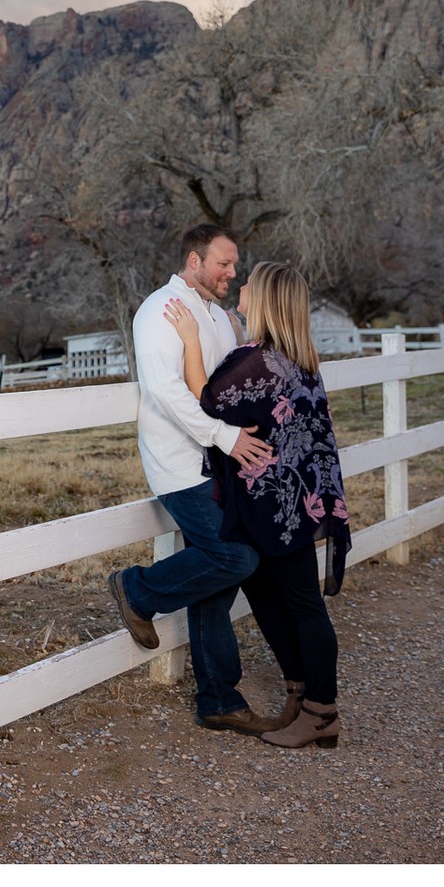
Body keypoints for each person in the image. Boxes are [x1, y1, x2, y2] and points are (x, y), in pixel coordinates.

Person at [165, 261, 350, 749]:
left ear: (265, 299)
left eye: (250, 283)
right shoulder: (293, 357)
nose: (241, 285)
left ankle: (322, 712)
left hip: (279, 507)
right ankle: (299, 694)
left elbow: (207, 400)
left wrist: (188, 338)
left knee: (302, 604)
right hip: (287, 500)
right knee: (267, 596)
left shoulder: (261, 360)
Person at [105, 223, 280, 735]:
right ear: (194, 260)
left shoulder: (217, 316)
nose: (232, 272)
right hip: (181, 465)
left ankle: (218, 699)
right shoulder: (160, 310)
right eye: (223, 263)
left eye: (234, 264)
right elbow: (167, 393)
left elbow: (223, 384)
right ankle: (136, 588)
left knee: (217, 583)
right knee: (235, 557)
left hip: (219, 463)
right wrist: (226, 438)